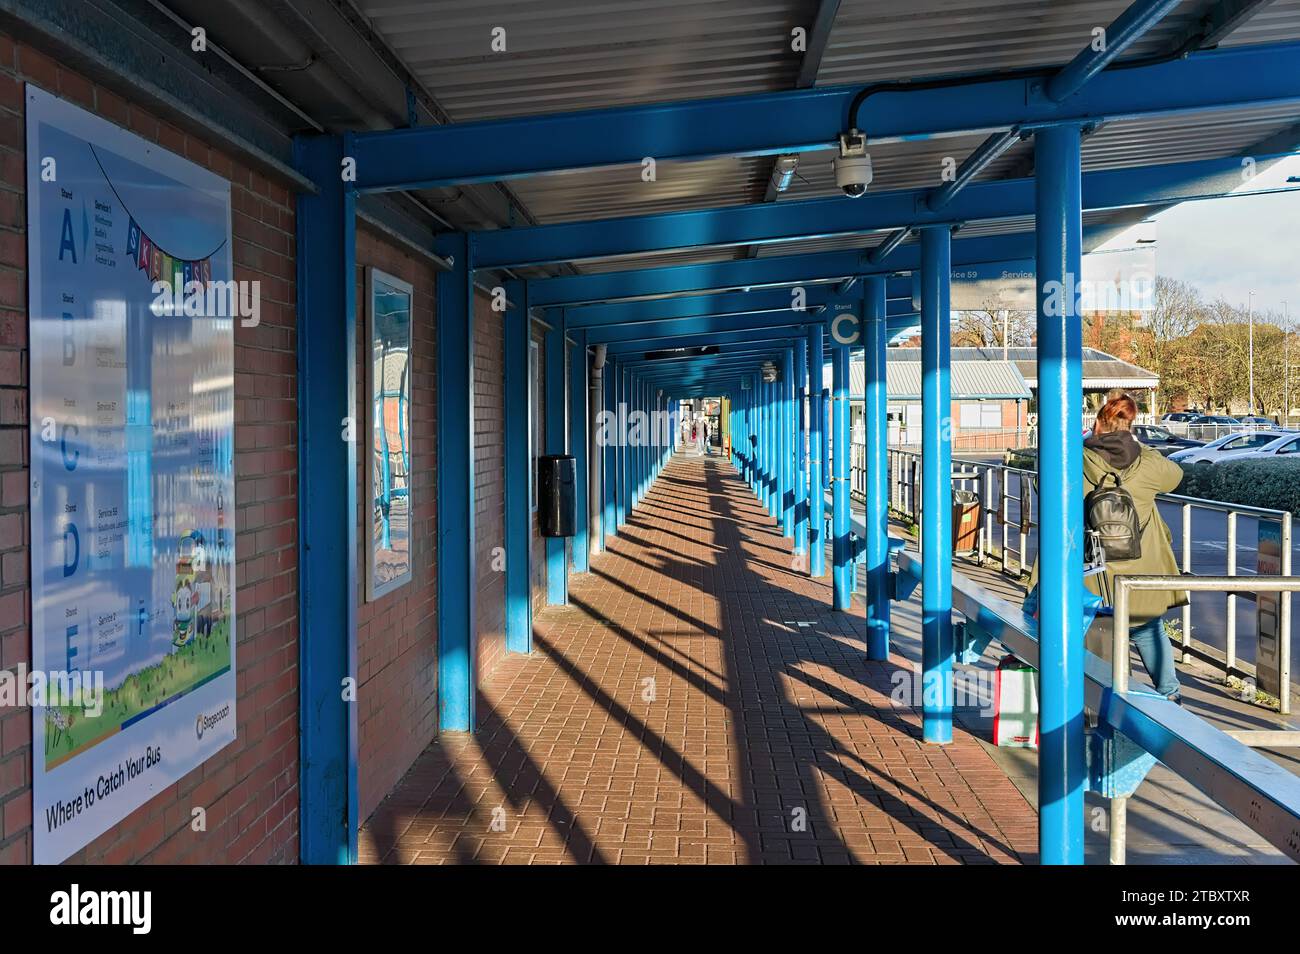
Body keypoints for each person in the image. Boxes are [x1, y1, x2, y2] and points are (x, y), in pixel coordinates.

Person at [1030, 393, 1187, 700]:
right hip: (1141, 570)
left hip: (1092, 574)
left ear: (1097, 424)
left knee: (1094, 639)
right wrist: (1141, 446)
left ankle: (1096, 701)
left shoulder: (1075, 458)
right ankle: (1170, 696)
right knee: (1147, 627)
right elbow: (1176, 476)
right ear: (1132, 426)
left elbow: (1042, 485)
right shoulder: (1146, 462)